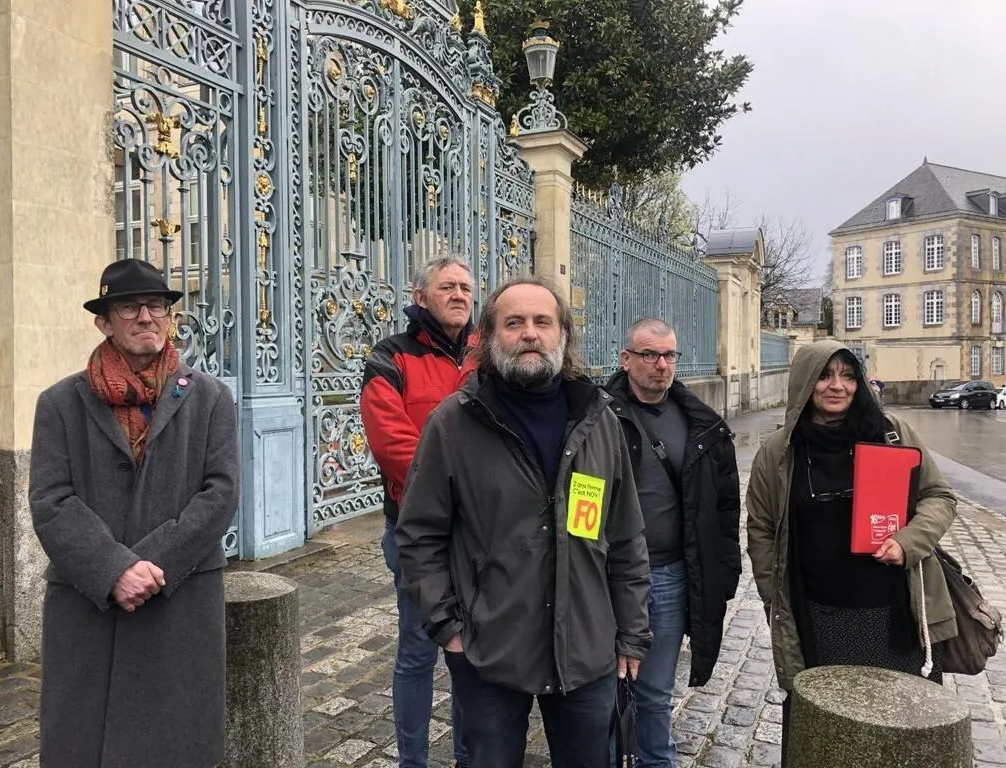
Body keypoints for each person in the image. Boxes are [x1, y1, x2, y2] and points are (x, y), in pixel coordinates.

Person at [395, 275, 652, 768]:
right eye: (514, 323)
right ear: (490, 336)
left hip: (587, 650)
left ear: (563, 335)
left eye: (542, 321)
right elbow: (419, 535)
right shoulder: (454, 422)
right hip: (489, 651)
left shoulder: (600, 421)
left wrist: (631, 632)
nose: (529, 333)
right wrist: (447, 625)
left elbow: (625, 537)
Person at [29, 258, 240, 767]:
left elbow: (220, 493)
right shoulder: (59, 403)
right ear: (104, 321)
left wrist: (148, 567)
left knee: (175, 747)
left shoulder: (210, 398)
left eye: (157, 306)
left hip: (179, 603)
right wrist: (113, 569)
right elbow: (51, 500)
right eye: (129, 307)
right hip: (90, 609)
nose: (146, 317)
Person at [745, 339, 958, 765]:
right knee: (826, 733)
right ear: (805, 382)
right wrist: (775, 598)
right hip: (818, 618)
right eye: (825, 375)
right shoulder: (779, 453)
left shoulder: (892, 433)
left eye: (847, 375)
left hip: (894, 616)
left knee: (900, 732)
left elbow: (939, 497)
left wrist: (907, 541)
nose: (836, 386)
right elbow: (762, 530)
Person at [604, 318, 740, 768]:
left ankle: (656, 761)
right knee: (601, 689)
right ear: (626, 360)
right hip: (605, 577)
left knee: (656, 691)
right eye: (649, 355)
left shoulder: (701, 422)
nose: (661, 365)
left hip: (668, 576)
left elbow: (724, 506)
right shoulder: (596, 416)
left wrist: (724, 571)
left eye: (669, 356)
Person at [360, 256, 477, 768]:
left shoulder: (488, 351)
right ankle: (413, 761)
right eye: (447, 286)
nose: (459, 295)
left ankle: (469, 756)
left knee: (472, 654)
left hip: (481, 531)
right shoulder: (391, 356)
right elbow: (391, 442)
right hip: (417, 531)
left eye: (467, 288)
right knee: (417, 650)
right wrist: (456, 489)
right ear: (420, 294)